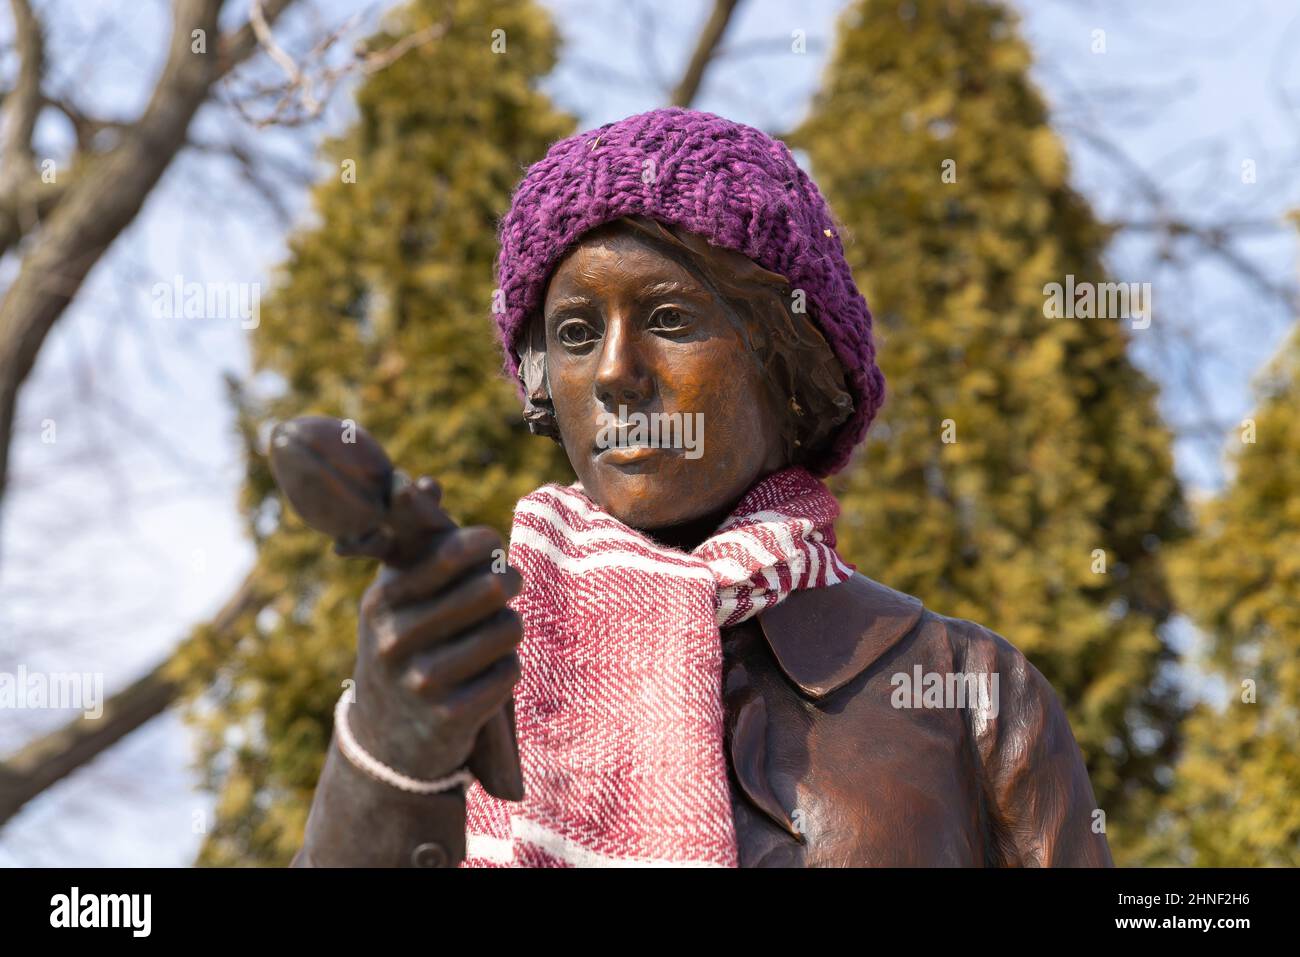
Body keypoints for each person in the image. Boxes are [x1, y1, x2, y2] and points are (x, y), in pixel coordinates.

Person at [292, 107, 1113, 868]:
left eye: (671, 318)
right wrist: (384, 753)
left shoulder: (968, 686)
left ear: (786, 361)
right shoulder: (475, 665)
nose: (615, 372)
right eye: (576, 333)